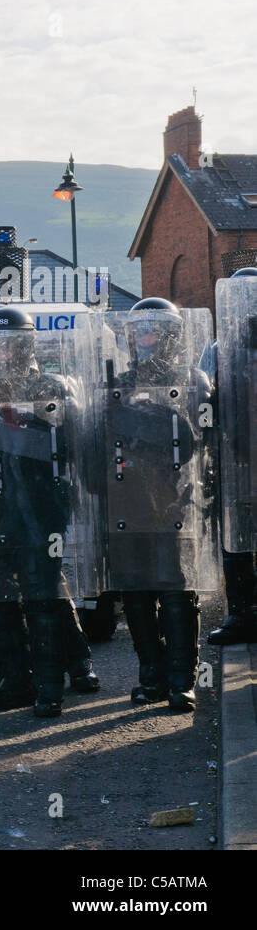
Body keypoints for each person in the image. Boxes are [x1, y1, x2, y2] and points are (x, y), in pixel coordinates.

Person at [0, 307, 99, 717]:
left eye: (9, 344)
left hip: (42, 504)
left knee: (41, 591)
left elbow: (74, 445)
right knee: (0, 595)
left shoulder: (50, 385)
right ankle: (20, 677)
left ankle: (49, 684)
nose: (1, 352)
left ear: (25, 346)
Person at [98, 298, 216, 713]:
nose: (143, 340)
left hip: (175, 501)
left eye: (151, 331)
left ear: (169, 337)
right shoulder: (120, 382)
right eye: (138, 332)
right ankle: (151, 675)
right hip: (128, 502)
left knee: (176, 591)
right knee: (135, 595)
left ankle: (183, 680)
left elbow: (201, 443)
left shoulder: (193, 380)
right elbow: (104, 440)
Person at [210, 267, 257, 646]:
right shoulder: (219, 349)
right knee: (236, 543)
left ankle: (243, 615)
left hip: (239, 460)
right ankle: (241, 613)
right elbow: (202, 403)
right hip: (234, 462)